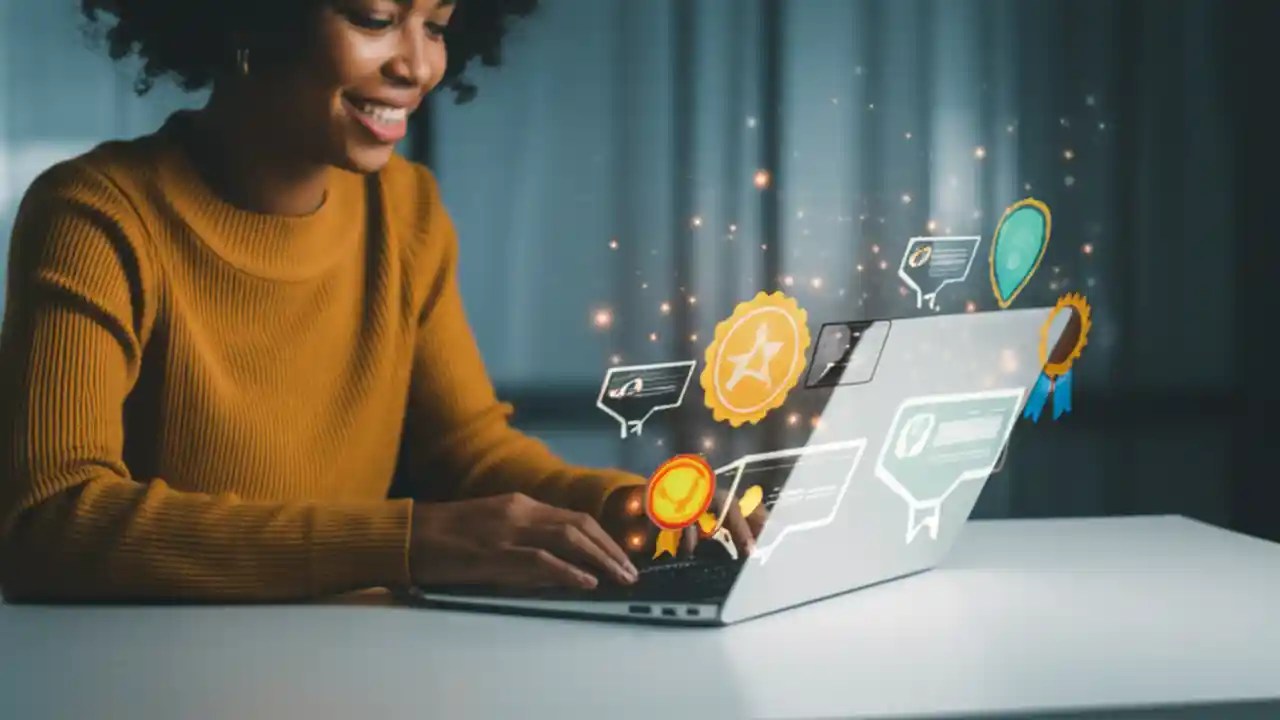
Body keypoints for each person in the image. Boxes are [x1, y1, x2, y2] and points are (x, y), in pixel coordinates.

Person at [0, 0, 760, 602]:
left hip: (360, 671)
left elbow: (470, 457)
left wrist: (638, 508)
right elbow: (52, 522)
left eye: (436, 25)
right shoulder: (96, 214)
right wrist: (408, 543)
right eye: (374, 19)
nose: (419, 65)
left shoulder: (407, 210)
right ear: (253, 15)